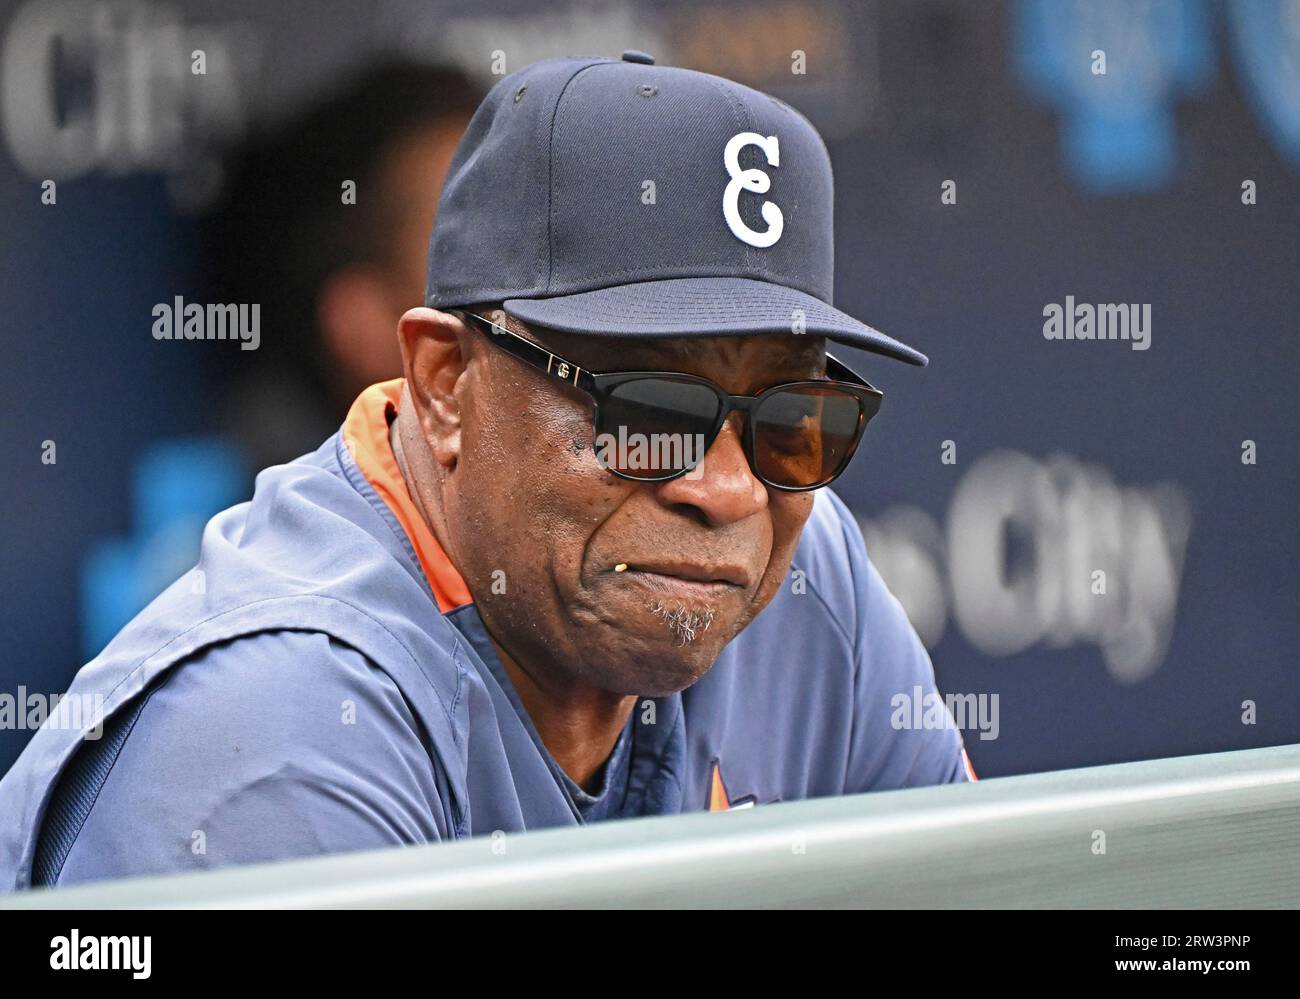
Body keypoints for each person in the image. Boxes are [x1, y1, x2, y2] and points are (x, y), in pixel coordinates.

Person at [0, 51, 974, 891]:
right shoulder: (270, 732)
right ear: (443, 382)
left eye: (789, 419)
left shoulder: (803, 572)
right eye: (648, 411)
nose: (726, 492)